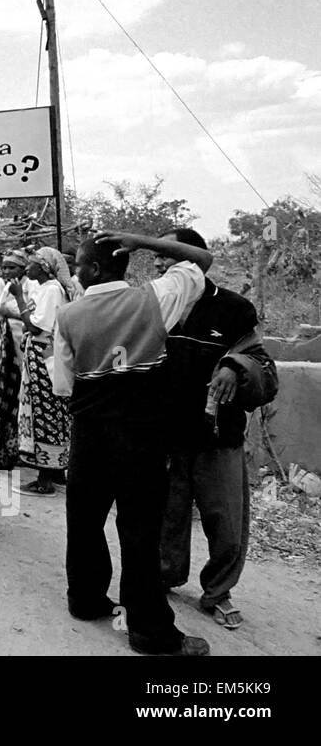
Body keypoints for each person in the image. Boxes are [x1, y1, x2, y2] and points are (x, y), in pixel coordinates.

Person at [52, 230, 214, 656]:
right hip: (141, 435)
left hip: (89, 434)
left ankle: (85, 599)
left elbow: (63, 384)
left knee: (84, 519)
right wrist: (145, 241)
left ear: (95, 269)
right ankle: (149, 630)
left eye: (80, 264)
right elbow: (201, 259)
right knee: (140, 529)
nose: (76, 271)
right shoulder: (154, 298)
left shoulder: (68, 316)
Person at [156, 228, 277, 631]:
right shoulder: (157, 306)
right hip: (167, 437)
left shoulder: (234, 308)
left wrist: (234, 366)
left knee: (225, 522)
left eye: (167, 259)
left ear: (193, 262)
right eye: (157, 260)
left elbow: (263, 364)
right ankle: (166, 576)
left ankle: (218, 591)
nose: (159, 267)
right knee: (167, 517)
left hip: (217, 438)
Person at [12, 248, 73, 495]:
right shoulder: (47, 289)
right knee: (50, 410)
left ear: (45, 268)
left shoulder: (50, 290)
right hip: (42, 354)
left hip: (43, 356)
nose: (27, 268)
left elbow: (37, 328)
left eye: (32, 264)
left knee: (44, 411)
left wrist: (18, 298)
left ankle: (44, 479)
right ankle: (55, 471)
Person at [0, 250, 32, 471]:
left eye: (11, 267)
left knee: (23, 395)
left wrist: (6, 312)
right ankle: (13, 446)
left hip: (23, 344)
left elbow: (31, 316)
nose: (7, 271)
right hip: (6, 345)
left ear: (22, 268)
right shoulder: (7, 286)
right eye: (4, 267)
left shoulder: (29, 286)